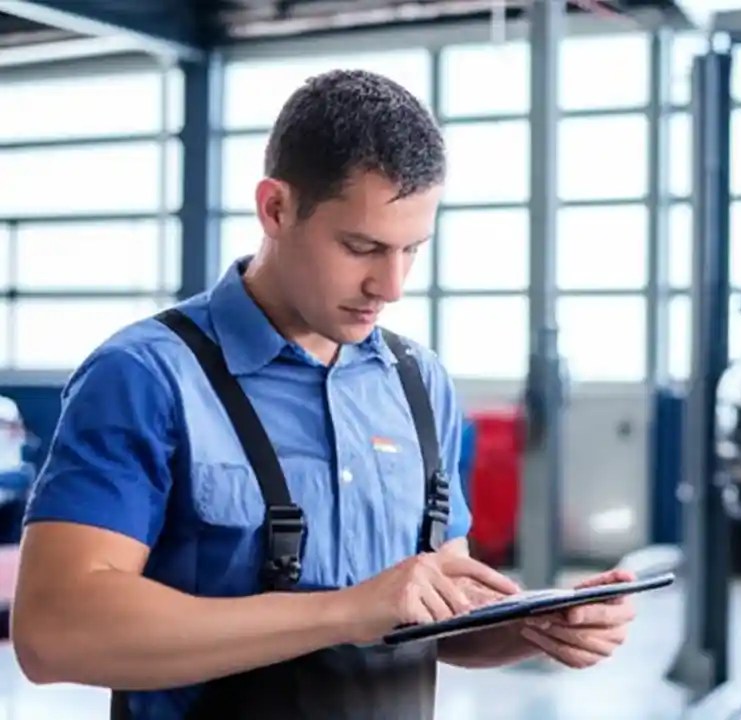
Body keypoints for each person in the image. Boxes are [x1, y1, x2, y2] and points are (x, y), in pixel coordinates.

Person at [9, 68, 637, 719]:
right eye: (361, 247)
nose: (390, 286)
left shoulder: (419, 386)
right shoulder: (146, 377)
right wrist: (343, 612)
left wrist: (526, 623)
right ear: (275, 208)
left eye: (411, 250)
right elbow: (56, 632)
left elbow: (434, 608)